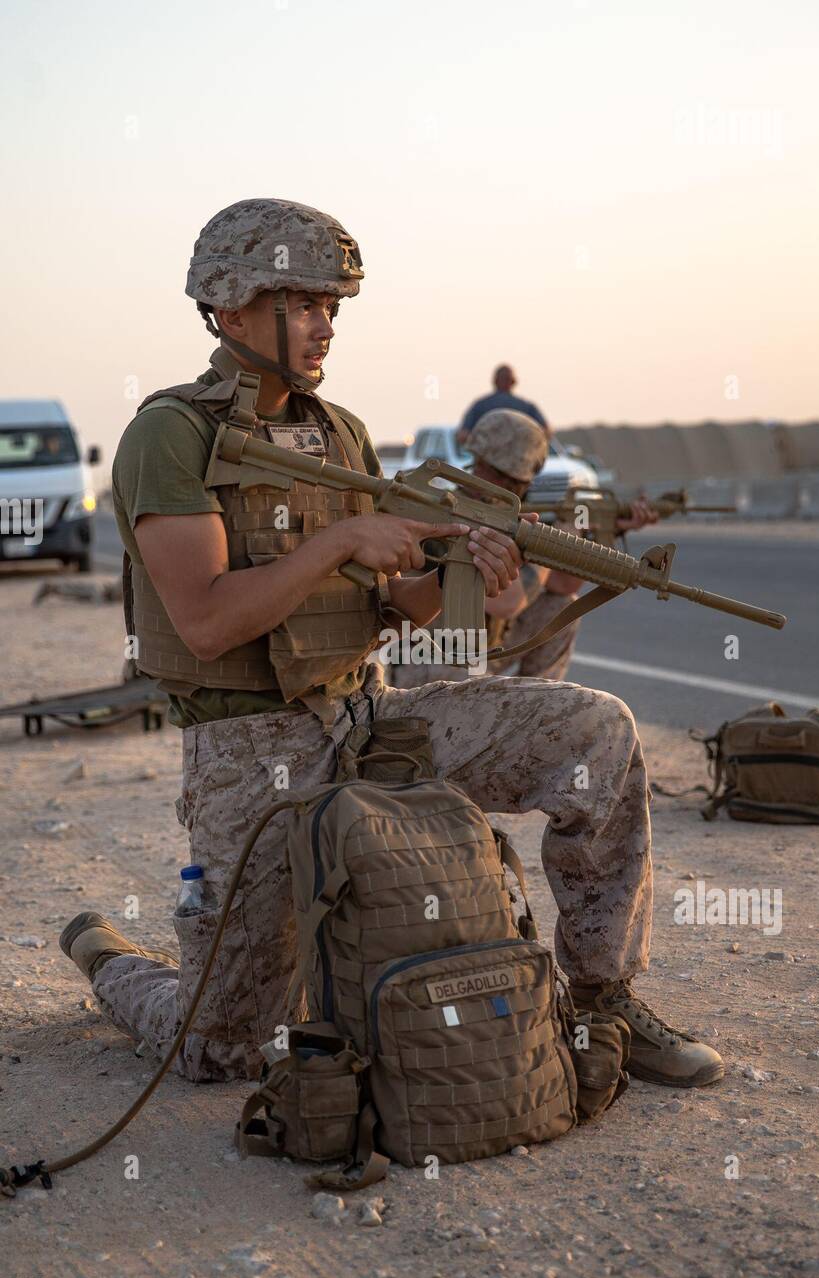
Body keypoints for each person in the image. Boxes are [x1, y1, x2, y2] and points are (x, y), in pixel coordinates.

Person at [59, 199, 723, 1090]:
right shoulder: (171, 436)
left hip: (373, 717)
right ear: (232, 305)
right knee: (216, 1049)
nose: (325, 325)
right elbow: (209, 620)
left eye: (332, 306)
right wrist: (340, 539)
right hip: (251, 749)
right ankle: (110, 960)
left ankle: (603, 999)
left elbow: (390, 602)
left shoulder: (343, 434)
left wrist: (468, 577)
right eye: (303, 304)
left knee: (595, 731)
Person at [389, 408, 657, 687]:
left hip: (483, 652)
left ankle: (537, 707)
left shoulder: (506, 517)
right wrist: (541, 543)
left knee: (560, 608)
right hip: (429, 661)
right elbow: (508, 603)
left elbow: (563, 585)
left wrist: (603, 532)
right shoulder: (445, 515)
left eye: (514, 481)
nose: (502, 485)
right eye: (496, 473)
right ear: (477, 462)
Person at [456, 364, 549, 445]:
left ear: (494, 381)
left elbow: (462, 436)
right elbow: (547, 432)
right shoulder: (527, 407)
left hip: (486, 462)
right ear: (513, 382)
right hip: (520, 462)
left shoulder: (480, 405)